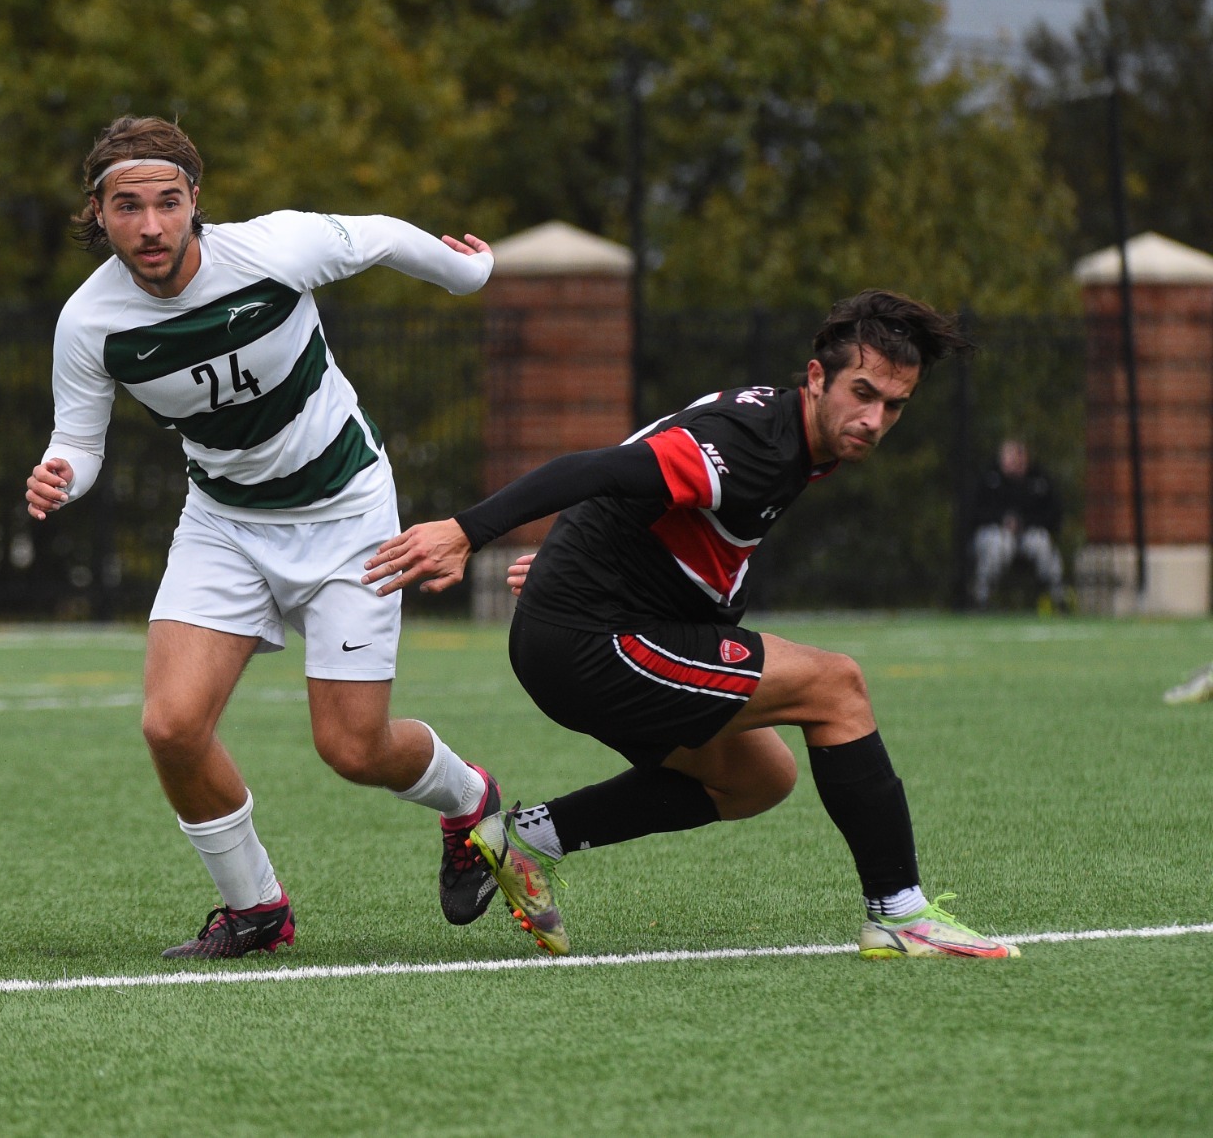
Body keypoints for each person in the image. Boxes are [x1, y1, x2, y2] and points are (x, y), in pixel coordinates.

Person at [365, 290, 1020, 959]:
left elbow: (649, 501)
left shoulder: (797, 439)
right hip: (589, 642)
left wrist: (577, 557)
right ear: (817, 378)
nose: (875, 418)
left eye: (894, 405)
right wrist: (466, 530)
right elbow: (598, 467)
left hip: (586, 625)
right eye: (863, 392)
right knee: (837, 686)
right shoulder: (751, 444)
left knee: (760, 777)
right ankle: (900, 913)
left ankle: (530, 839)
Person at [25, 116, 505, 958]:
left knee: (352, 747)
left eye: (167, 203)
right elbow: (81, 442)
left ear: (195, 202)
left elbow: (382, 236)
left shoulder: (276, 250)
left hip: (347, 516)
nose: (149, 226)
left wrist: (467, 274)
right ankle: (256, 910)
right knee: (171, 726)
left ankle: (470, 799)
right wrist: (62, 473)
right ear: (97, 214)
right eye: (126, 206)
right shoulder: (89, 322)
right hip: (225, 525)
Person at [969, 438, 1066, 611]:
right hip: (996, 533)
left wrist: (1024, 522)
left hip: (1027, 534)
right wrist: (1002, 520)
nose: (1016, 462)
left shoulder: (1037, 480)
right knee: (998, 545)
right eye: (1011, 457)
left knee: (1042, 542)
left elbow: (1053, 514)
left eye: (1019, 457)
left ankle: (1058, 598)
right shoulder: (990, 479)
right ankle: (982, 599)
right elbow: (973, 513)